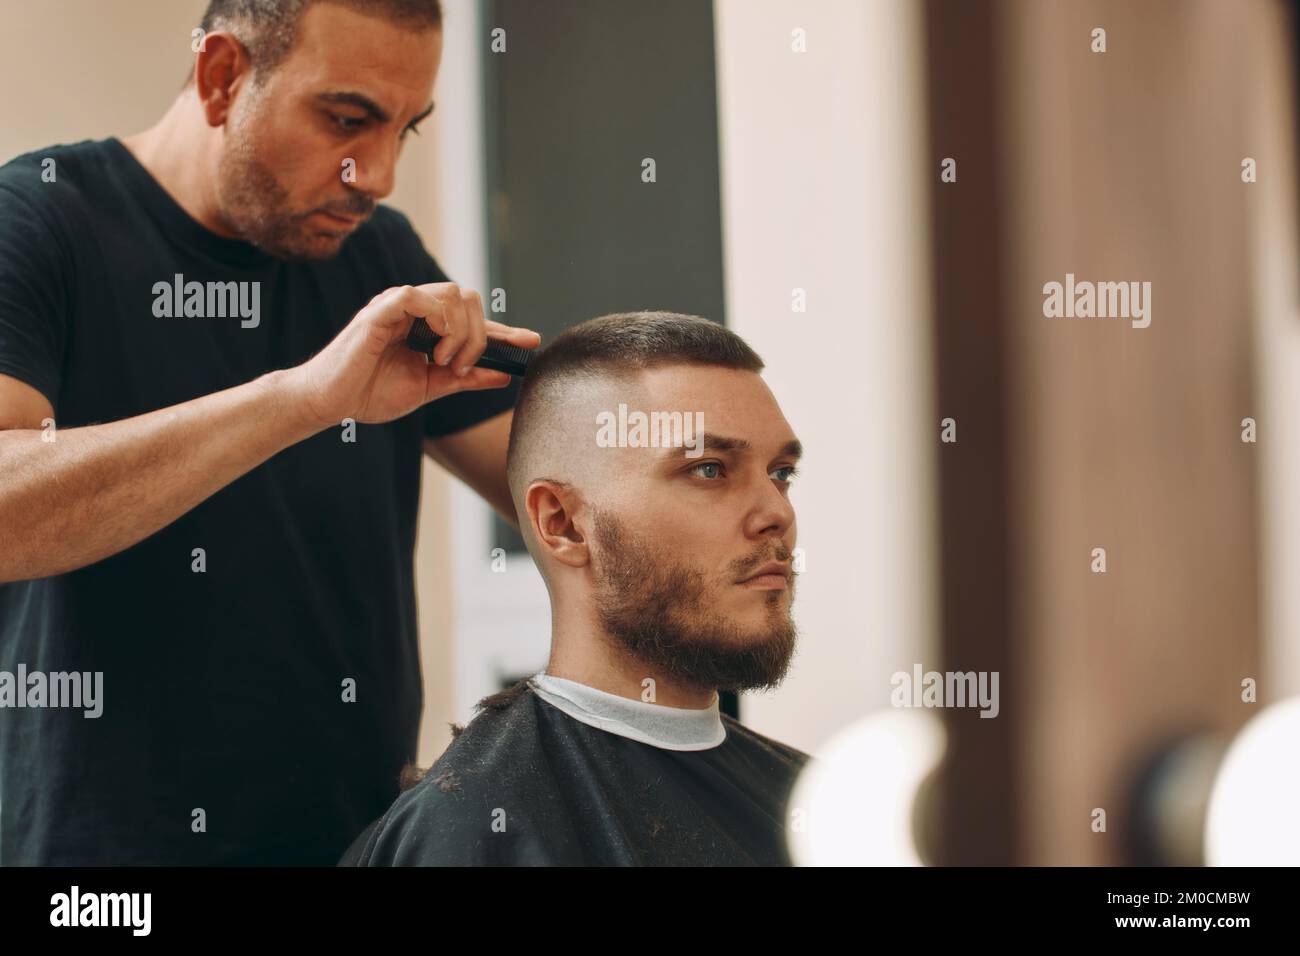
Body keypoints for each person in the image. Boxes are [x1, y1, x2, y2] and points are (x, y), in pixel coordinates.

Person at [0, 0, 540, 864]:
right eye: (349, 119)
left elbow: (553, 491)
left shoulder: (377, 253)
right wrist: (302, 400)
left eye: (406, 130)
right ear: (222, 76)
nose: (382, 176)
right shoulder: (37, 220)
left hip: (350, 846)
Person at [342, 311, 810, 866]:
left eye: (780, 472)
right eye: (709, 469)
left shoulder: (821, 802)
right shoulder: (475, 829)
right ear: (561, 523)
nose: (776, 512)